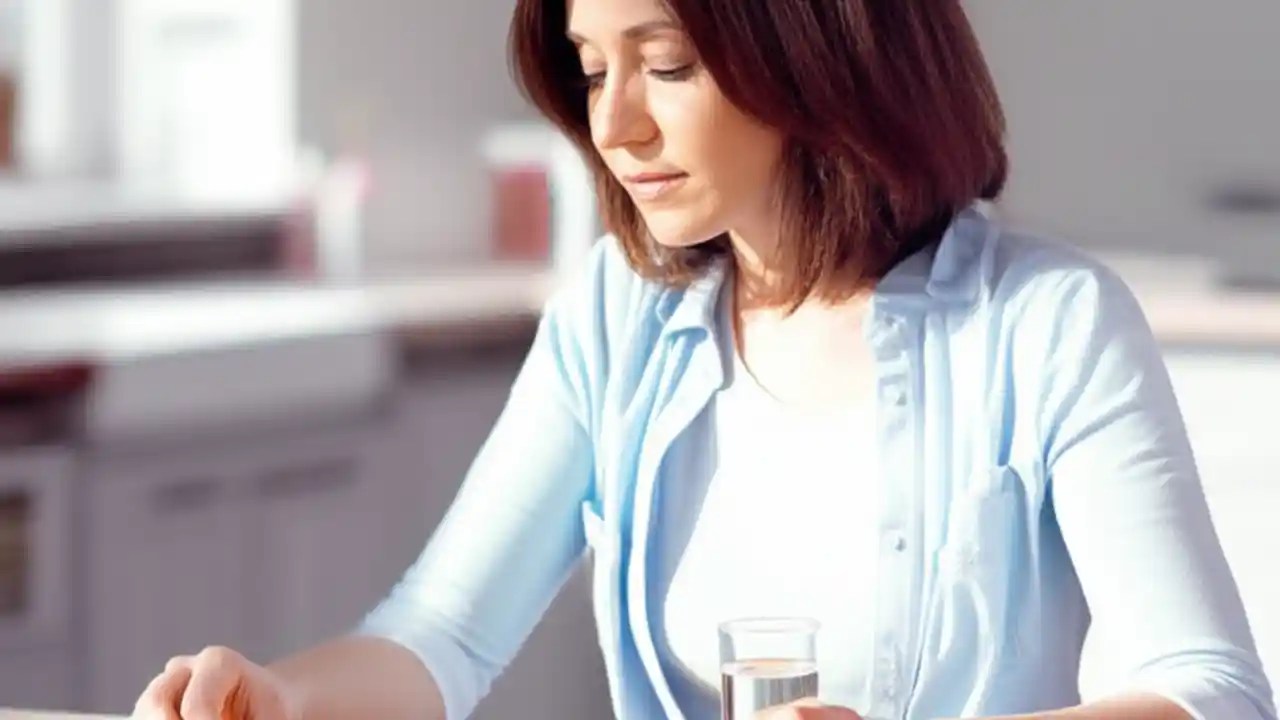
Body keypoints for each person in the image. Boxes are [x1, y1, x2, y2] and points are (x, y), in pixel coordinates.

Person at [131, 0, 1276, 718]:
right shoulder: (617, 317)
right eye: (591, 67)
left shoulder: (1049, 326)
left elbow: (1211, 694)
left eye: (665, 65)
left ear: (813, 48)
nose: (612, 124)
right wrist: (281, 699)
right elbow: (443, 634)